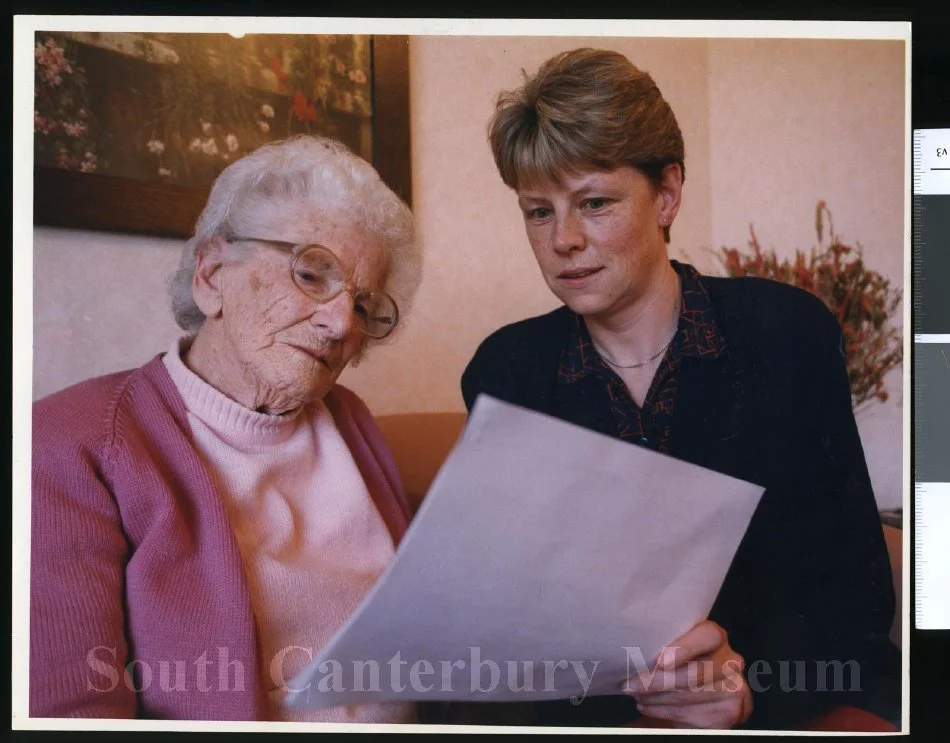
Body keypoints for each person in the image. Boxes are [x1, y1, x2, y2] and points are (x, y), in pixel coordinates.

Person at [460, 48, 899, 730]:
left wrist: (746, 690)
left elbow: (855, 604)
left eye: (594, 203)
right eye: (538, 212)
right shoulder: (505, 370)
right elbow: (513, 624)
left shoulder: (787, 333)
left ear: (666, 194)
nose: (563, 240)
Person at [30, 135, 422, 722]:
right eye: (312, 274)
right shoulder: (71, 443)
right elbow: (72, 711)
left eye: (364, 306)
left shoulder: (350, 420)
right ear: (212, 276)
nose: (343, 322)